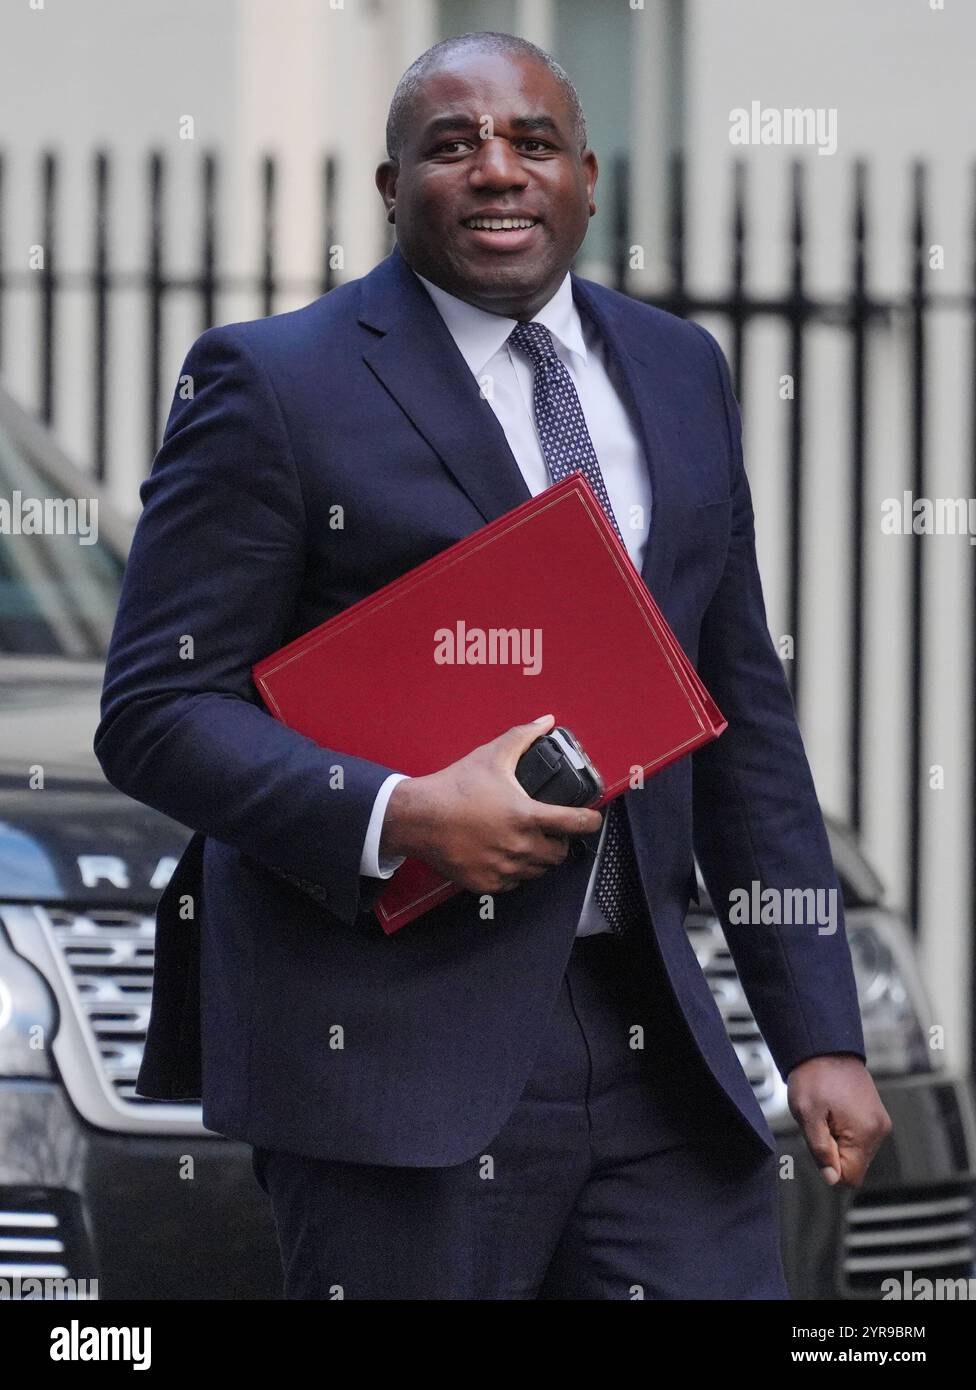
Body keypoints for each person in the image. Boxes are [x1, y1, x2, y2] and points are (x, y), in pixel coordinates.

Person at [94, 31, 891, 1300]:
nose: (496, 170)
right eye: (451, 145)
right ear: (391, 185)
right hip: (391, 1057)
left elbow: (737, 719)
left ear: (583, 175)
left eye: (529, 142)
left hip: (653, 1052)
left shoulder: (681, 371)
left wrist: (817, 1034)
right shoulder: (272, 383)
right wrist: (398, 815)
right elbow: (153, 711)